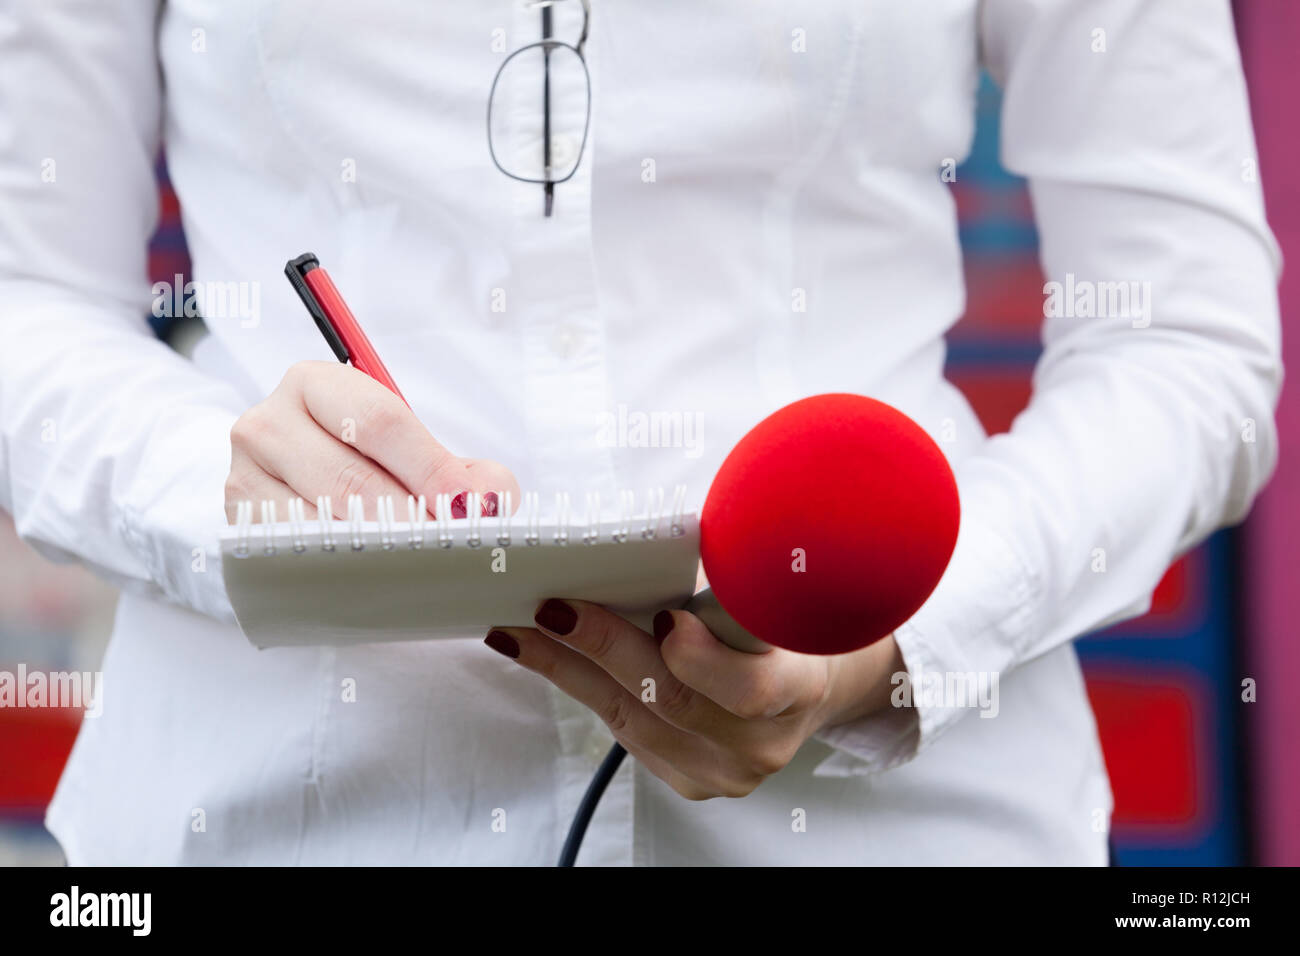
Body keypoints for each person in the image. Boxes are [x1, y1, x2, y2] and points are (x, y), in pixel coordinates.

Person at [0, 0, 1279, 865]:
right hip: (279, 810)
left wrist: (893, 645)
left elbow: (1182, 342)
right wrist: (218, 497)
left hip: (898, 824)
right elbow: (26, 298)